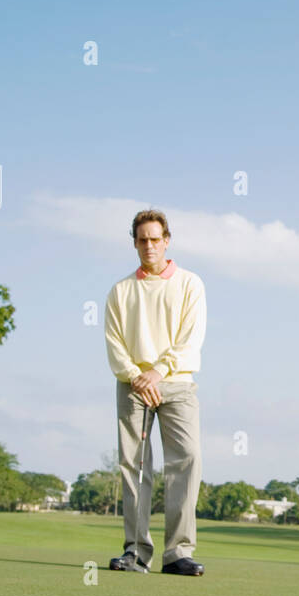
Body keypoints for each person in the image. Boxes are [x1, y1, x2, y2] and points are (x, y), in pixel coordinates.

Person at [104, 209, 207, 576]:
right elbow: (115, 343)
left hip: (177, 383)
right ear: (134, 243)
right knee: (136, 466)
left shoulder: (190, 284)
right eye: (142, 239)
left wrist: (157, 372)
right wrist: (137, 377)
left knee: (187, 460)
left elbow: (190, 338)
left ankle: (178, 553)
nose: (149, 245)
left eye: (155, 238)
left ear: (166, 240)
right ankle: (135, 551)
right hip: (133, 387)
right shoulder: (121, 290)